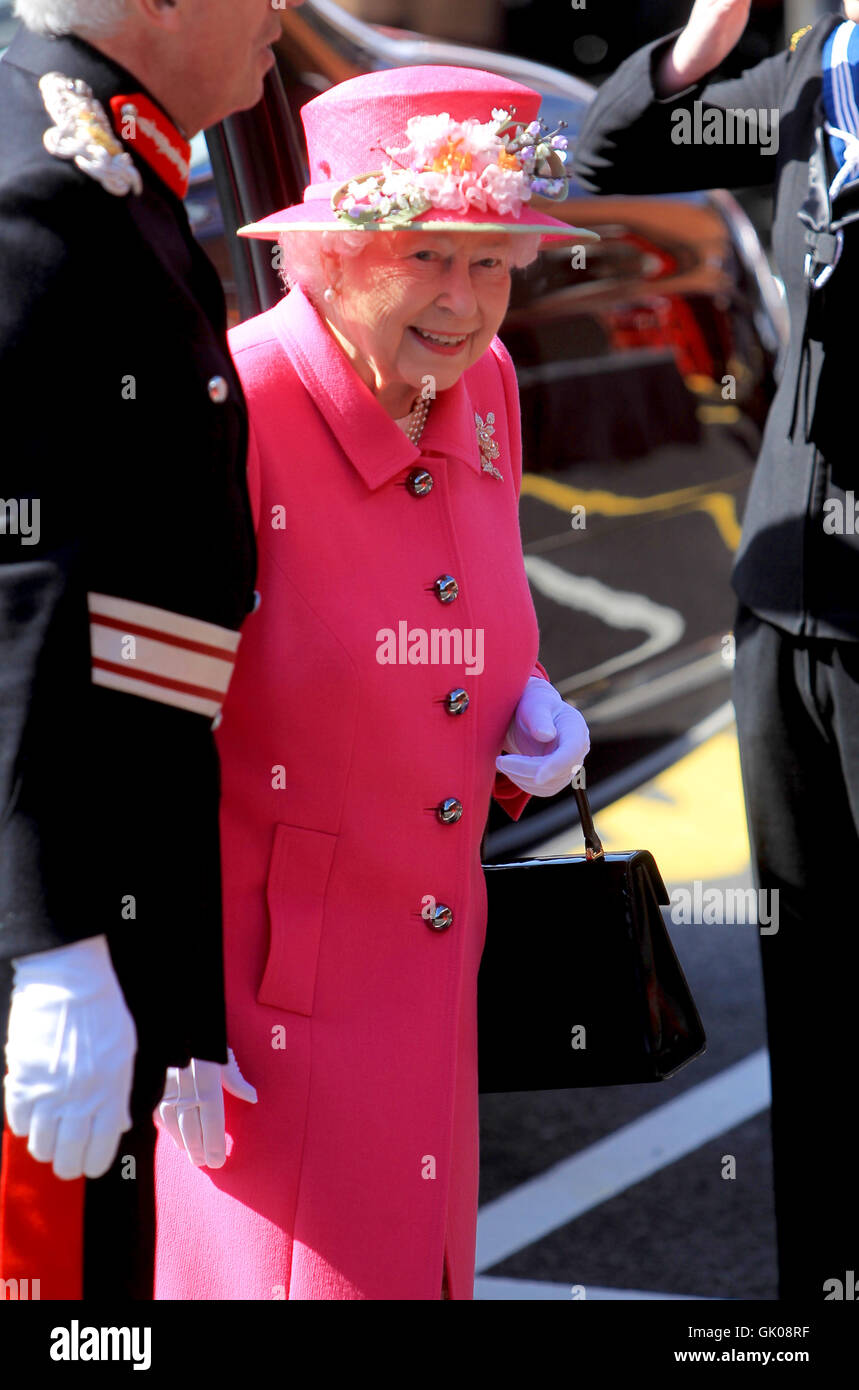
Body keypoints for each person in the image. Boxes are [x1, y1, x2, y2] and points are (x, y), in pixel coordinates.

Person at [152, 64, 595, 1301]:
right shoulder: (236, 408)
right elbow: (130, 728)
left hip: (436, 963)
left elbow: (456, 618)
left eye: (490, 261)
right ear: (330, 255)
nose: (462, 303)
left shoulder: (486, 389)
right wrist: (163, 999)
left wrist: (525, 716)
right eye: (424, 256)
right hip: (262, 1010)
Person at [0, 0, 302, 1301]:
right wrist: (53, 942)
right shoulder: (40, 184)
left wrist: (166, 967)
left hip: (122, 858)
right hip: (56, 884)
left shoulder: (109, 156)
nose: (285, 6)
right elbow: (17, 586)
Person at [572, 0, 859, 1301]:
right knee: (807, 995)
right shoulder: (808, 73)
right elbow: (604, 150)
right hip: (785, 598)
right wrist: (703, 37)